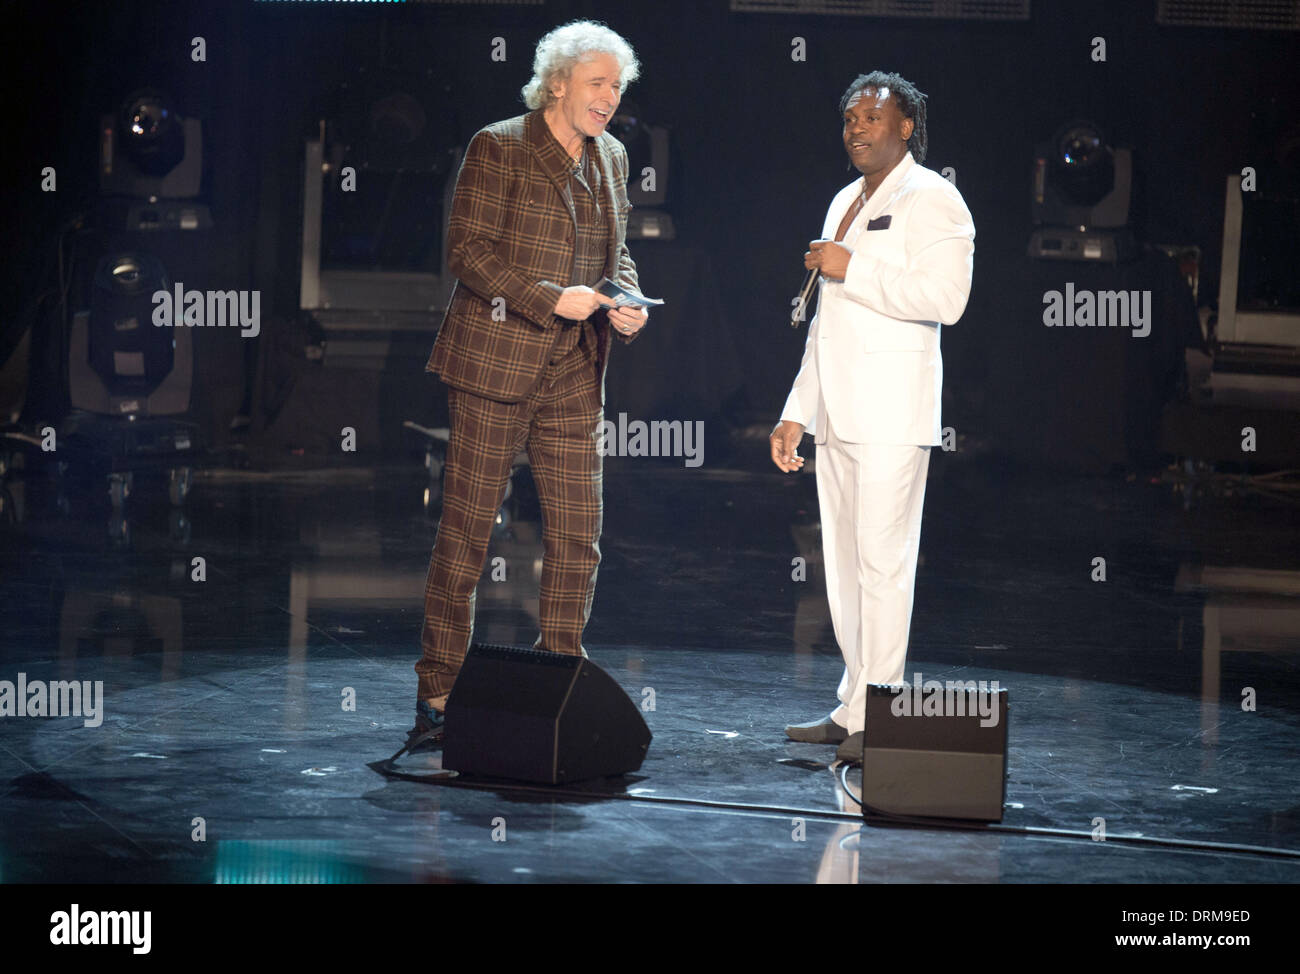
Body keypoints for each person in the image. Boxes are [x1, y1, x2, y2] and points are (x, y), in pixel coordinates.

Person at [408, 21, 648, 752]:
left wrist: (627, 298)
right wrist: (551, 296)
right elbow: (468, 253)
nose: (610, 97)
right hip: (495, 364)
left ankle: (560, 677)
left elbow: (619, 251)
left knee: (580, 534)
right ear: (557, 83)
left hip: (576, 368)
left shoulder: (612, 156)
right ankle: (440, 689)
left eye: (618, 86)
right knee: (468, 536)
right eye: (598, 82)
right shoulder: (500, 145)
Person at [771, 71, 975, 764]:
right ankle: (854, 705)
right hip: (838, 415)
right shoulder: (842, 202)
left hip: (892, 415)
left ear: (906, 126)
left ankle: (882, 715)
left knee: (885, 568)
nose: (858, 127)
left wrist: (852, 267)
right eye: (850, 117)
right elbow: (824, 322)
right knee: (844, 571)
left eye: (872, 116)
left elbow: (946, 299)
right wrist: (796, 412)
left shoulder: (935, 199)